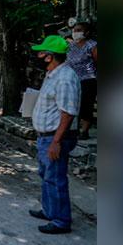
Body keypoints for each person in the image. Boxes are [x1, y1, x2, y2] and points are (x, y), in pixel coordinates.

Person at [29, 35, 81, 234]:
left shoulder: (65, 78)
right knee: (46, 175)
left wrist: (56, 142)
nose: (38, 56)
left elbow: (67, 114)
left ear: (50, 56)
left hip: (55, 136)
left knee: (55, 177)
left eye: (42, 53)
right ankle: (50, 210)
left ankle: (60, 220)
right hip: (45, 135)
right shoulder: (53, 75)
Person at [67, 21, 97, 139]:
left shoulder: (92, 45)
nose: (75, 32)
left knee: (86, 105)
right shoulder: (71, 45)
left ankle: (84, 131)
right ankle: (73, 129)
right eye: (74, 30)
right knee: (72, 104)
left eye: (79, 30)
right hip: (72, 79)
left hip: (88, 79)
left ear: (87, 32)